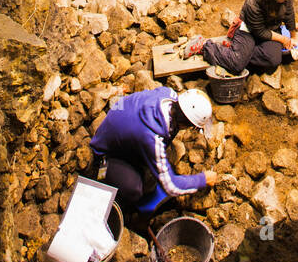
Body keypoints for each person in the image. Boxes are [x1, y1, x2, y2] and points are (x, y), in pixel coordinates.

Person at [89, 85, 217, 215]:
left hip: (120, 128)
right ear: (187, 124)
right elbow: (172, 186)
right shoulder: (151, 136)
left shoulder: (168, 94)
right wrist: (203, 179)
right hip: (106, 151)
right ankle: (111, 186)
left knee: (161, 160)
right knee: (134, 189)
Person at [187, 0, 298, 75]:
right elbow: (259, 31)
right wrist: (283, 39)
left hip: (272, 28)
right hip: (249, 29)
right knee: (237, 64)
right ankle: (205, 47)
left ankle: (234, 51)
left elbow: (289, 14)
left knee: (273, 59)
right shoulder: (253, 2)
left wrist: (293, 37)